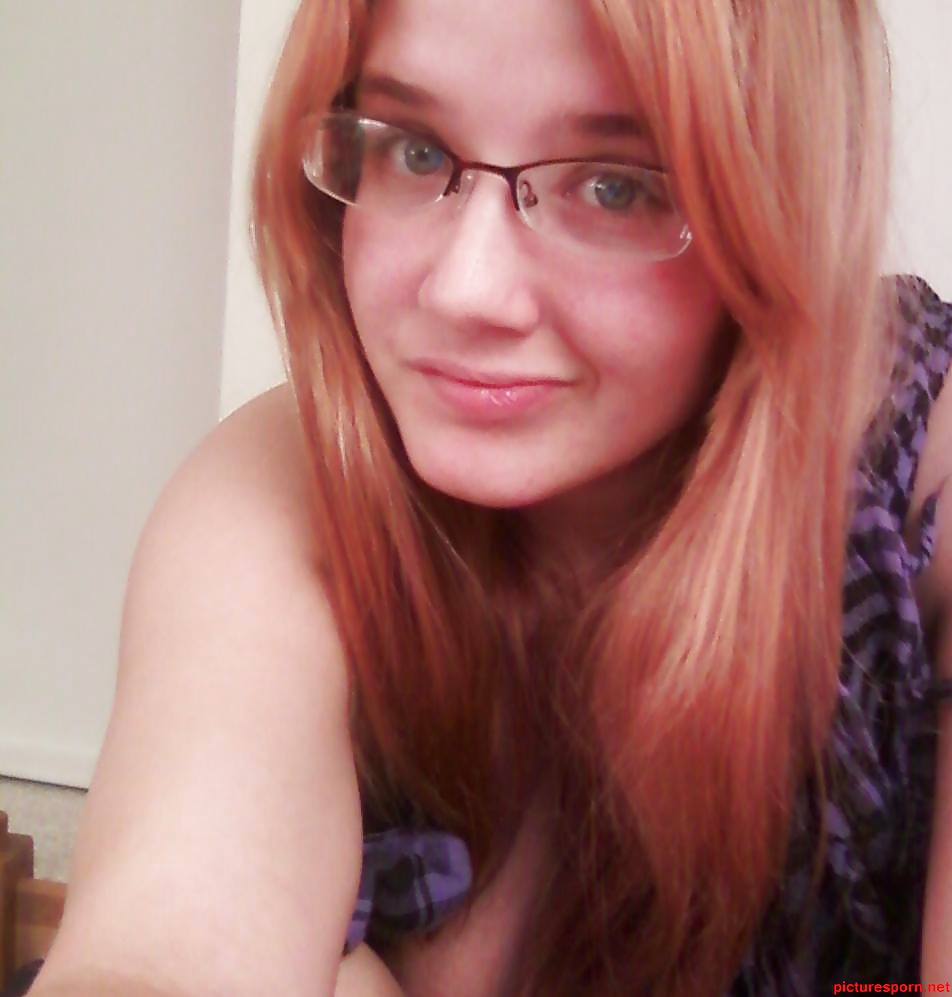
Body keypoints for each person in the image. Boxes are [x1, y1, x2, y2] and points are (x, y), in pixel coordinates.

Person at [24, 0, 952, 994]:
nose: (465, 290)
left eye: (614, 184)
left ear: (781, 196)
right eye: (416, 152)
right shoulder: (297, 481)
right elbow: (164, 946)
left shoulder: (914, 487)